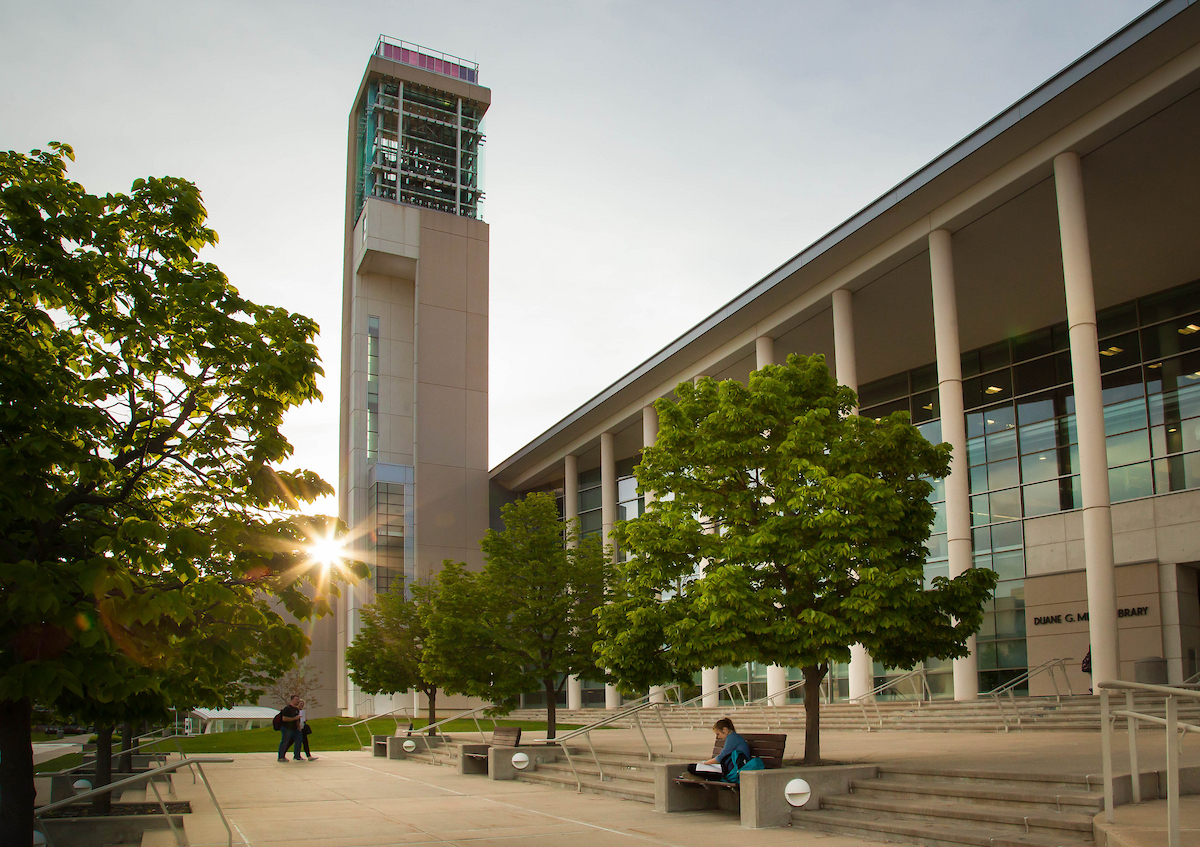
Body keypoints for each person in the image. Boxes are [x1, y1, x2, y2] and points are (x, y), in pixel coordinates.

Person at [683, 717, 751, 781]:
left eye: (718, 734)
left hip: (731, 771)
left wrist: (705, 763)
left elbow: (720, 758)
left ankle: (701, 776)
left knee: (692, 767)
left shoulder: (732, 738)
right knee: (696, 767)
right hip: (729, 768)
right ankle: (701, 775)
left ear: (725, 730)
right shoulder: (734, 737)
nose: (718, 737)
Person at [277, 694, 303, 762]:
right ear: (292, 700)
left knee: (299, 741)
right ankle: (281, 757)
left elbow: (297, 719)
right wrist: (294, 718)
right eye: (296, 700)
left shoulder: (296, 709)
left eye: (298, 700)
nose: (298, 701)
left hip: (295, 729)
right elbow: (284, 719)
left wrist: (298, 727)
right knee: (285, 742)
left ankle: (297, 756)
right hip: (287, 728)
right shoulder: (287, 709)